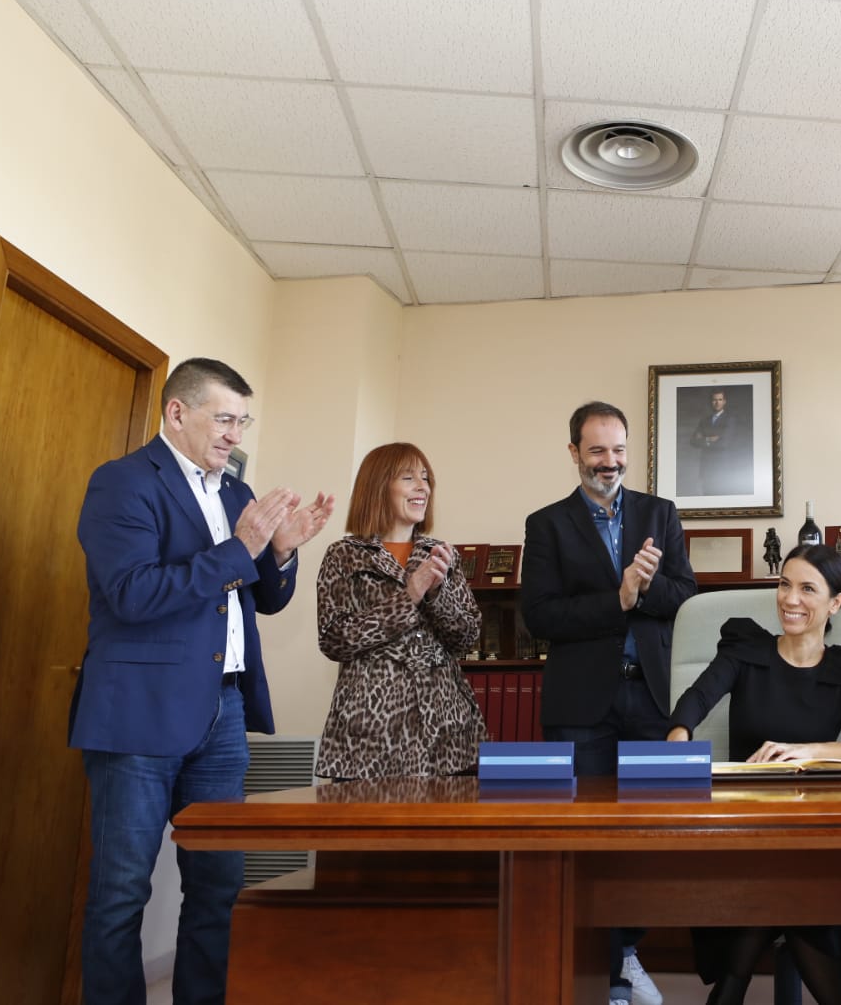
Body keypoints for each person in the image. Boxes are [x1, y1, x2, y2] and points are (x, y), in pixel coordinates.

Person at [70, 357, 335, 1005]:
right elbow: (132, 595)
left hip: (224, 716)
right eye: (224, 418)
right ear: (178, 413)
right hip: (138, 715)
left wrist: (278, 553)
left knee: (218, 887)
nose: (234, 434)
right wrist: (240, 550)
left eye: (242, 421)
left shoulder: (238, 496)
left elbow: (261, 600)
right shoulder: (122, 484)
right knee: (121, 894)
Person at [669, 544, 841, 1005]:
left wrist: (812, 751)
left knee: (784, 887)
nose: (791, 599)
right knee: (789, 893)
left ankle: (727, 994)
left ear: (835, 603)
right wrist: (680, 731)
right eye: (785, 584)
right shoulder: (746, 649)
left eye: (807, 589)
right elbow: (698, 697)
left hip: (812, 832)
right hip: (743, 830)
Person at [521, 400, 697, 1005]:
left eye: (619, 449)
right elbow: (538, 616)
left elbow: (684, 597)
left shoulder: (660, 513)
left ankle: (624, 954)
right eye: (597, 450)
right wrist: (617, 597)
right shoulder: (546, 524)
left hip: (652, 699)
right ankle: (603, 964)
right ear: (574, 452)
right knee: (581, 836)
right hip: (580, 705)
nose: (610, 462)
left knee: (649, 838)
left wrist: (643, 592)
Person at [314, 443, 487, 780]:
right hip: (369, 735)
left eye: (426, 478)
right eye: (409, 477)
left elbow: (466, 638)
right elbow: (334, 639)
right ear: (378, 486)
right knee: (369, 832)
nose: (423, 486)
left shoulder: (441, 554)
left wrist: (437, 596)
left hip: (445, 731)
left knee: (444, 831)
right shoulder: (344, 555)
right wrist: (409, 596)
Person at [687, 388, 748, 495]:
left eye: (720, 399)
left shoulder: (730, 419)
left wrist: (703, 438)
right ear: (711, 402)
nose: (717, 402)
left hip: (723, 468)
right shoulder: (704, 420)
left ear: (724, 401)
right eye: (714, 400)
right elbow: (693, 441)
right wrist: (709, 439)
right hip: (706, 468)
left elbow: (724, 443)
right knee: (707, 497)